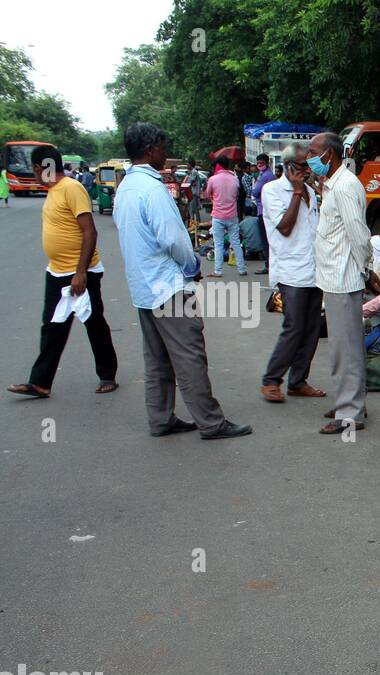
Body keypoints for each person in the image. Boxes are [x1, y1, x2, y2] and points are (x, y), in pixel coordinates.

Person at [113, 123, 250, 440]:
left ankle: (161, 418)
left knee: (157, 358)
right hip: (168, 284)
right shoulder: (153, 190)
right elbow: (174, 240)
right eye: (162, 147)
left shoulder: (126, 189)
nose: (165, 154)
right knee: (189, 355)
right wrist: (192, 266)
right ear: (150, 150)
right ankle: (211, 422)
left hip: (143, 286)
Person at [7, 144, 119, 400]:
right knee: (53, 326)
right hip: (57, 272)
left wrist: (80, 273)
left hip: (81, 272)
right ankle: (40, 383)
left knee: (94, 323)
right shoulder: (53, 191)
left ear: (40, 168)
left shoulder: (71, 188)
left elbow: (90, 231)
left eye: (35, 170)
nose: (35, 174)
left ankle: (107, 375)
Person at [309, 130, 372, 435]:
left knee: (344, 350)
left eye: (313, 152)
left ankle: (350, 411)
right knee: (344, 347)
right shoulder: (333, 184)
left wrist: (366, 267)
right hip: (334, 278)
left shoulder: (345, 186)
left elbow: (358, 234)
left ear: (329, 155)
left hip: (344, 279)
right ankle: (350, 401)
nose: (309, 158)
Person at [259, 143, 326, 404]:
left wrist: (307, 191)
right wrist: (297, 194)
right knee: (294, 326)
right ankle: (271, 380)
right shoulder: (272, 190)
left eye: (308, 166)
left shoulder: (310, 190)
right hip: (290, 271)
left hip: (314, 269)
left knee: (311, 329)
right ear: (288, 167)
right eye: (301, 167)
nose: (307, 171)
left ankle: (298, 381)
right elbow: (285, 228)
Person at [204, 157, 247, 277]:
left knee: (218, 244)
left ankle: (218, 271)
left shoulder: (213, 179)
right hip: (232, 215)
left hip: (218, 215)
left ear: (218, 165)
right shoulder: (235, 179)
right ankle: (242, 269)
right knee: (236, 243)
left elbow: (207, 194)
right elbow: (237, 194)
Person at [252, 153, 276, 275]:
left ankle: (268, 265)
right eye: (258, 163)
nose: (259, 165)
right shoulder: (267, 175)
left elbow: (255, 191)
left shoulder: (265, 176)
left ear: (267, 163)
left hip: (263, 210)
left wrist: (254, 186)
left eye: (261, 163)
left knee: (265, 240)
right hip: (267, 210)